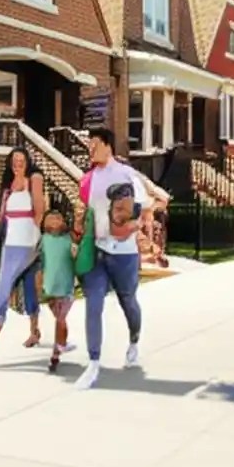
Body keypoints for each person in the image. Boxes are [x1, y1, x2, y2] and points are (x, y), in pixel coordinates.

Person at [71, 127, 150, 390]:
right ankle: (93, 363)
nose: (90, 149)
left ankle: (134, 340)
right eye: (89, 145)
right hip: (98, 251)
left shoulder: (127, 175)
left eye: (94, 144)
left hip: (124, 254)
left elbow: (144, 209)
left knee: (128, 301)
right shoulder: (88, 179)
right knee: (93, 303)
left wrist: (134, 227)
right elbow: (84, 211)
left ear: (107, 146)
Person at [0, 147, 44, 363]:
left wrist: (34, 238)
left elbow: (39, 212)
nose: (18, 164)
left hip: (29, 243)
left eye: (22, 160)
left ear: (28, 162)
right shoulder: (7, 191)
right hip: (11, 245)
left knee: (4, 288)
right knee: (27, 286)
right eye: (14, 160)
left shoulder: (35, 179)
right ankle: (35, 331)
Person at [37, 209, 78, 373]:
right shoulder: (43, 240)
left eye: (58, 218)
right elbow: (40, 263)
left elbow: (77, 256)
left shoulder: (69, 238)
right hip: (50, 287)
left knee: (60, 318)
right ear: (44, 223)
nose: (54, 221)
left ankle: (55, 354)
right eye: (50, 218)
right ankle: (63, 343)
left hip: (66, 285)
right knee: (60, 319)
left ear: (63, 222)